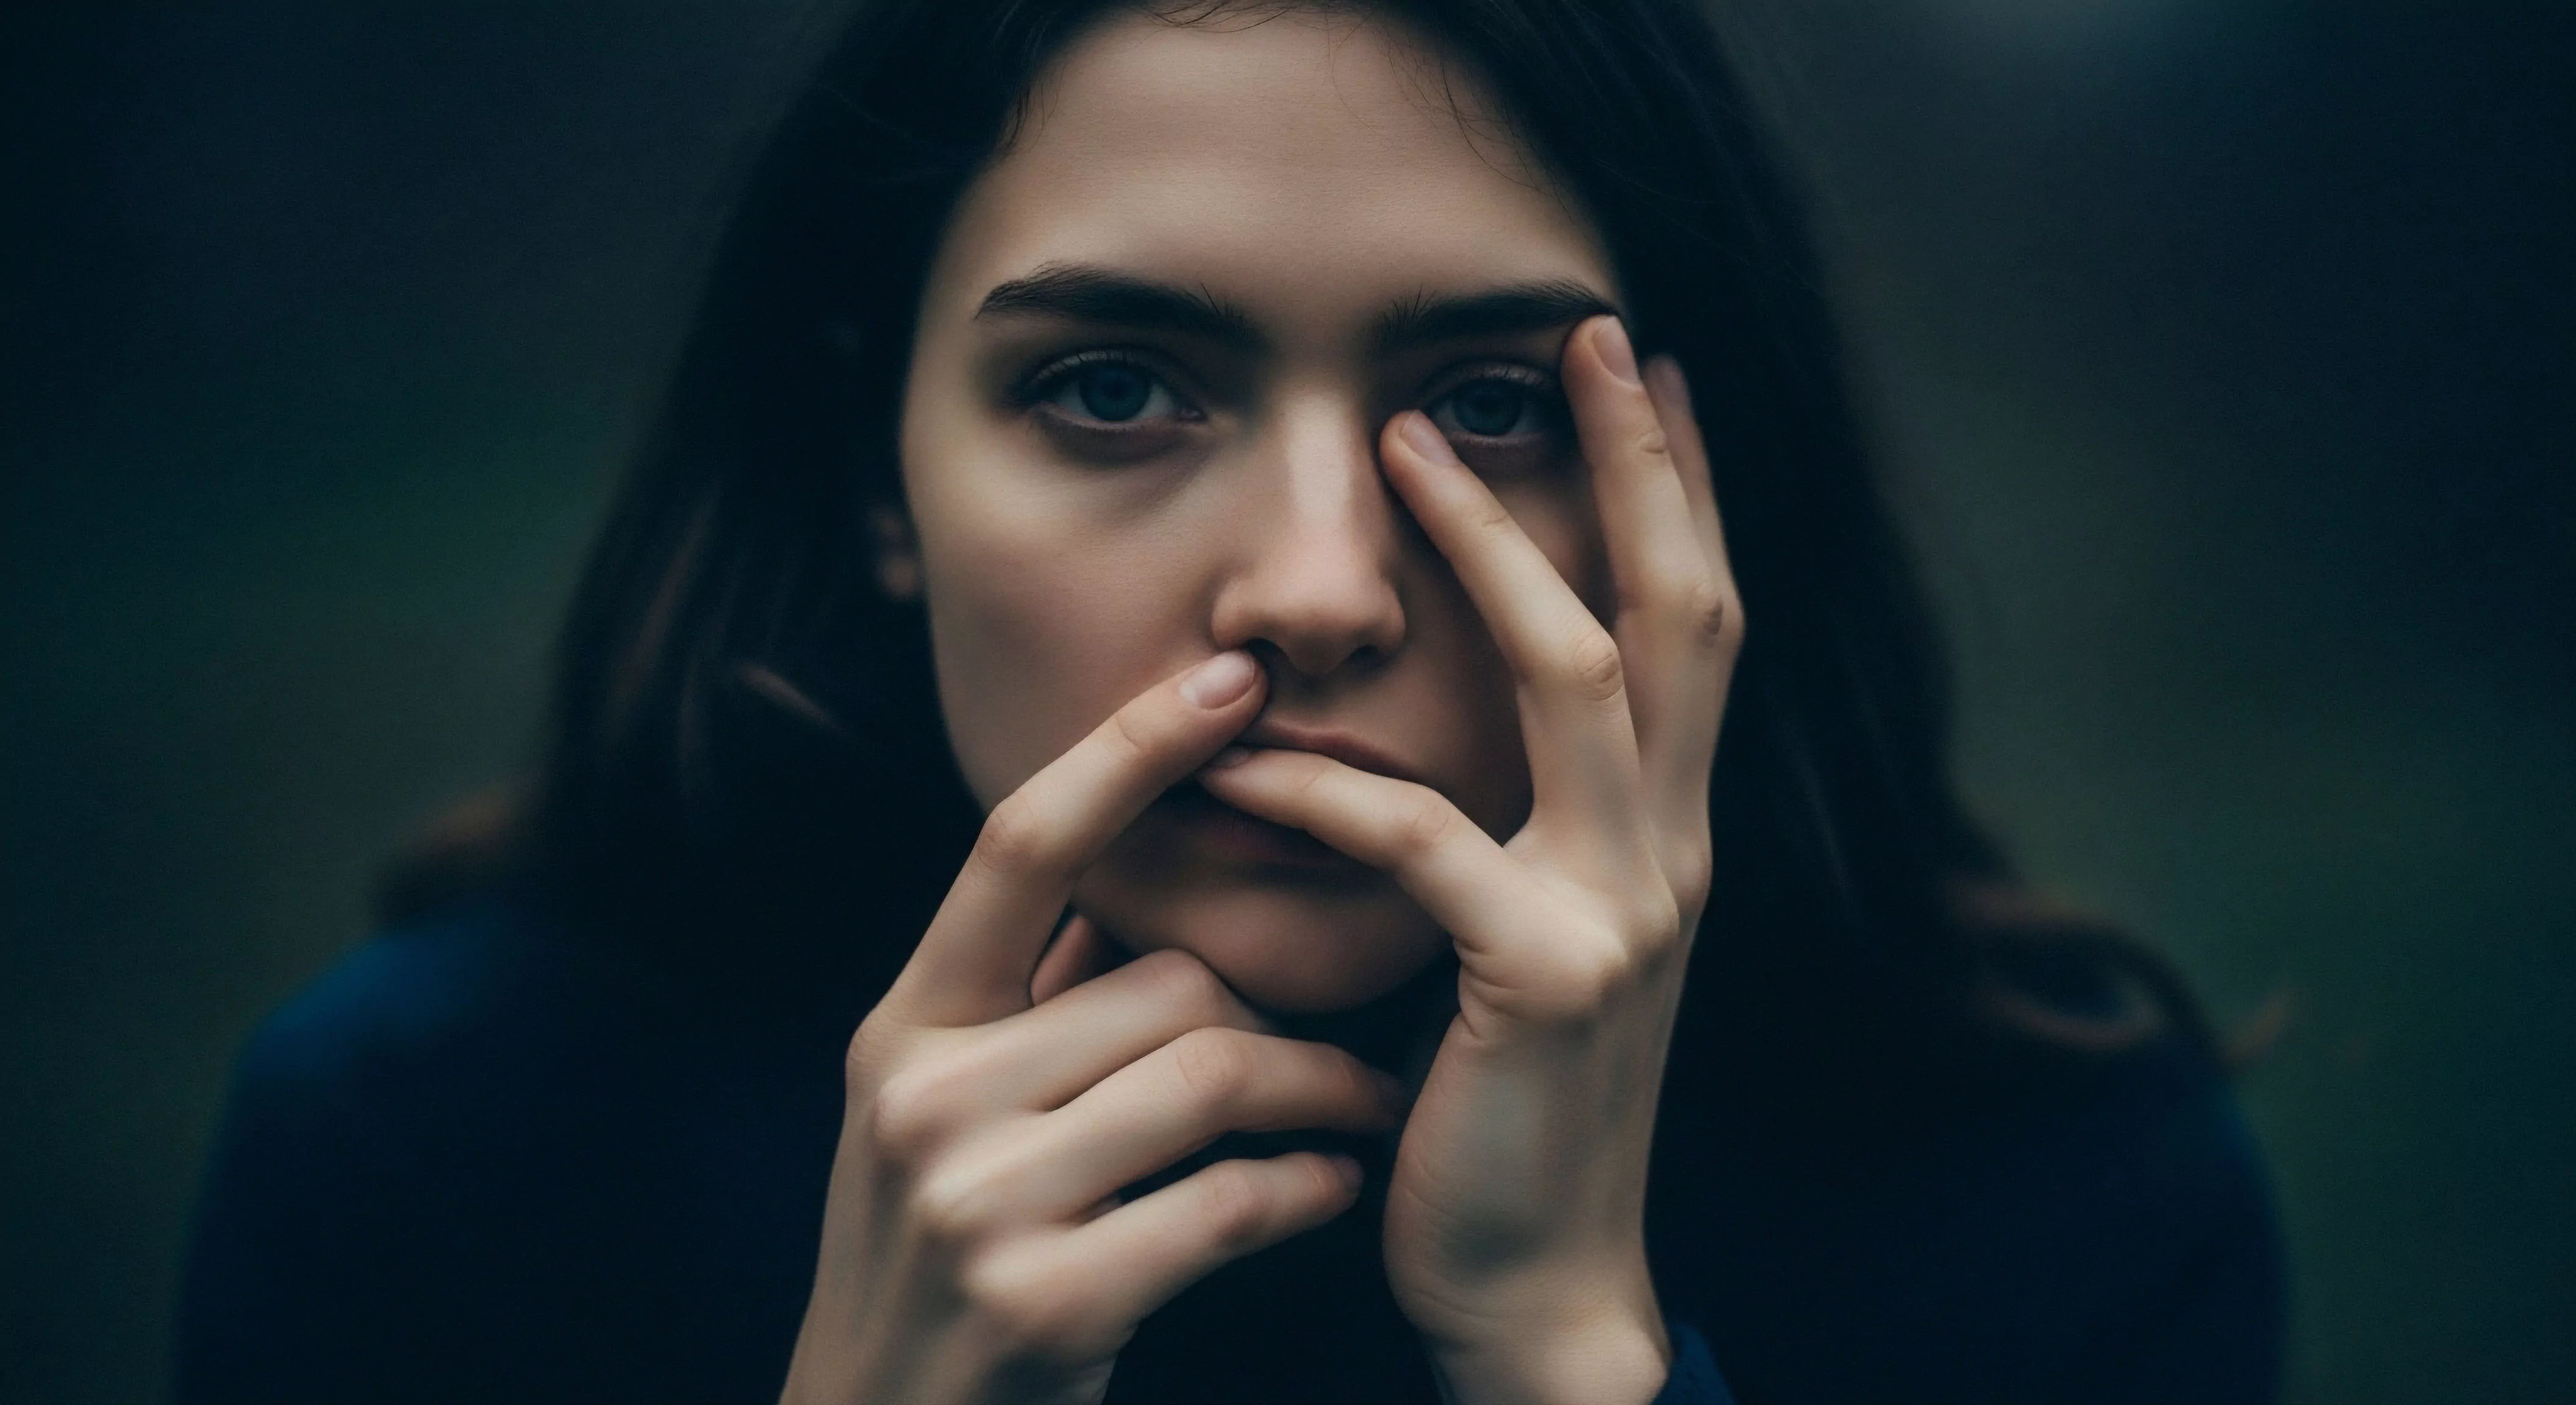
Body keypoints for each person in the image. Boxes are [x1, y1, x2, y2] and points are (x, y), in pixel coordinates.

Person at [173, 2, 2287, 1401]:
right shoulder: (433, 1156)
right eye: (1111, 388)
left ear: (1695, 508)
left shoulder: (2068, 1202)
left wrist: (1573, 1354)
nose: (1313, 589)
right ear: (869, 473)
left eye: (1486, 402)